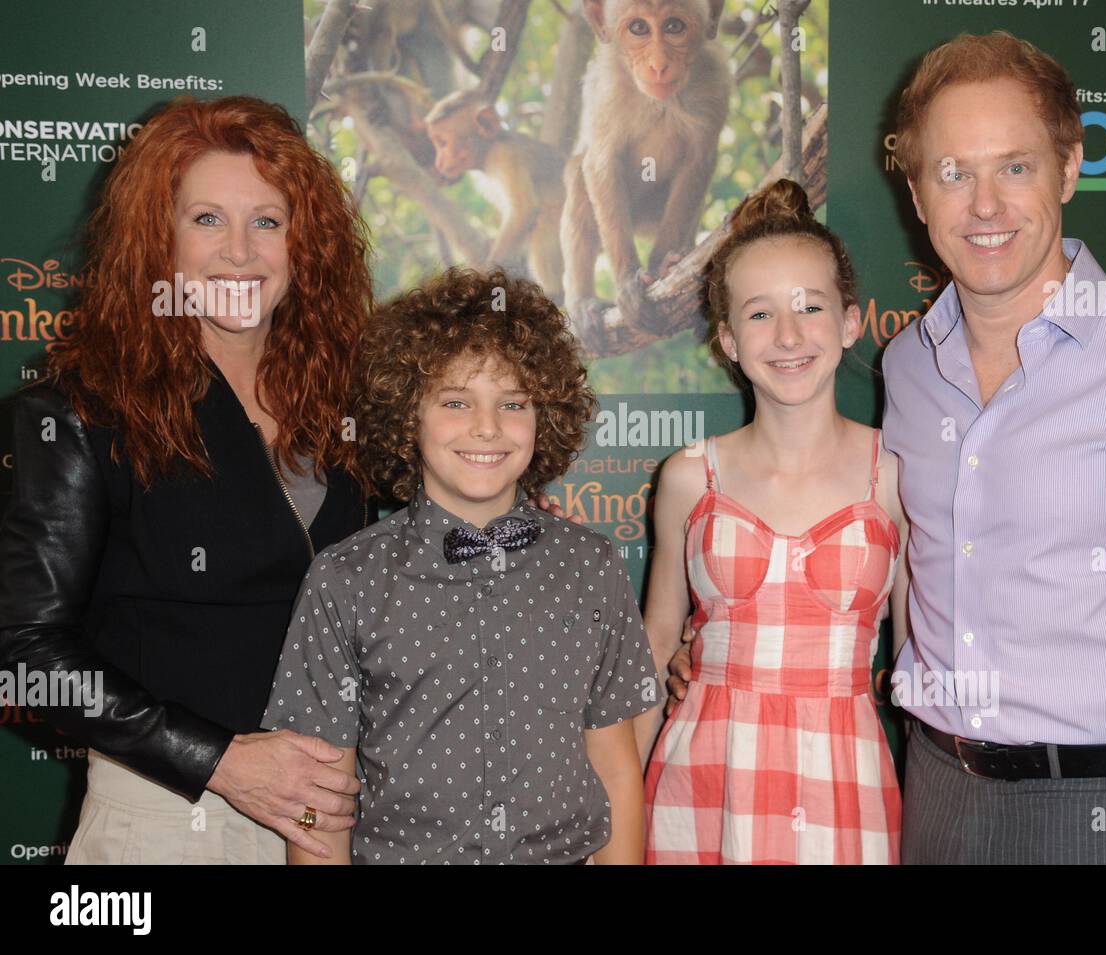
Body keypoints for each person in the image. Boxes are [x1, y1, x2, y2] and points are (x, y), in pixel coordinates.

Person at [674, 31, 1106, 864]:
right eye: (953, 173)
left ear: (1070, 168)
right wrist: (721, 647)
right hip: (936, 803)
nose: (985, 205)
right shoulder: (907, 369)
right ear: (918, 195)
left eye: (1015, 166)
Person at [0, 96, 373, 863]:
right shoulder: (78, 412)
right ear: (157, 242)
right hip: (169, 823)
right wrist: (224, 762)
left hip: (338, 821)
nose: (239, 251)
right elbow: (24, 656)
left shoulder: (352, 404)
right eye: (206, 219)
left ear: (306, 245)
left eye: (268, 221)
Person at [260, 266, 657, 864]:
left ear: (543, 414)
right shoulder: (345, 580)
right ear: (407, 414)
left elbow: (616, 769)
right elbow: (317, 793)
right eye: (455, 401)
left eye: (513, 402)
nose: (487, 427)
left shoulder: (591, 566)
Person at [639, 179, 908, 864]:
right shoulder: (688, 477)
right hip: (701, 784)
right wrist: (611, 817)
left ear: (850, 322)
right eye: (759, 315)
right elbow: (654, 645)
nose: (788, 335)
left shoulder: (896, 476)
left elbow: (917, 660)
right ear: (727, 339)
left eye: (810, 307)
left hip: (844, 785)